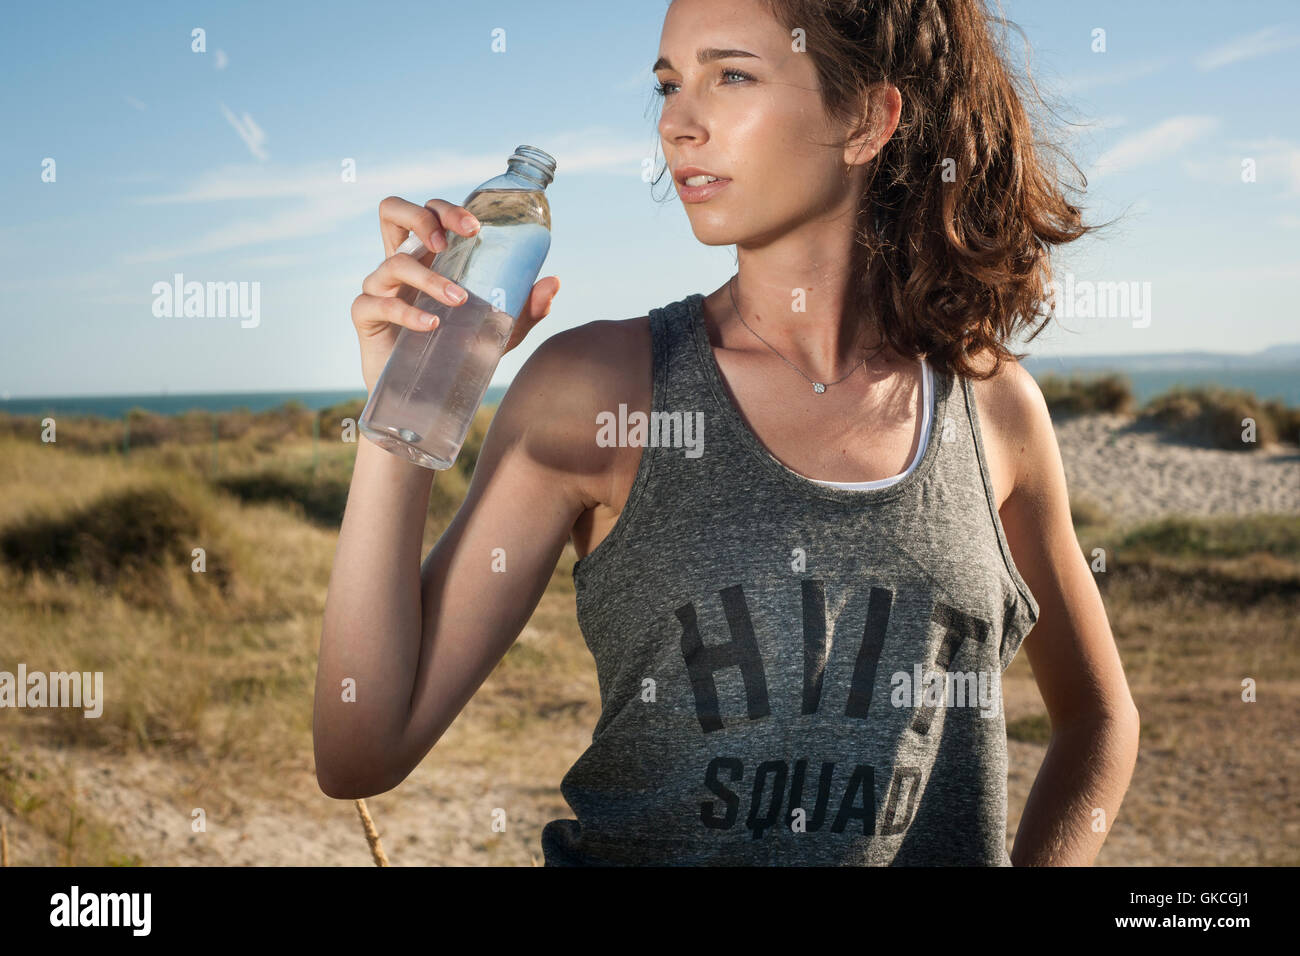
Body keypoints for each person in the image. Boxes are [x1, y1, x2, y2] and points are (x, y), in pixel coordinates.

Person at [314, 0, 1140, 866]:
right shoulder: (599, 388)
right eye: (669, 85)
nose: (676, 123)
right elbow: (359, 751)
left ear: (866, 119)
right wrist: (395, 419)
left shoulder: (993, 407)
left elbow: (1098, 717)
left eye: (731, 75)